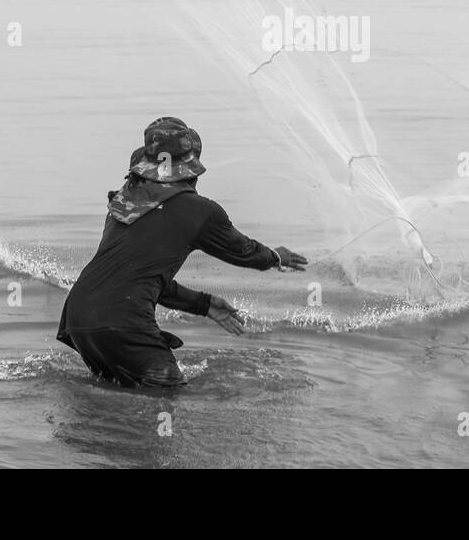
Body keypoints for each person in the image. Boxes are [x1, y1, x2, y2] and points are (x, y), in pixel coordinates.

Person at [56, 116, 308, 387]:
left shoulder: (125, 202)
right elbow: (243, 251)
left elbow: (141, 279)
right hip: (122, 320)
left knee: (112, 393)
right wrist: (275, 257)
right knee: (168, 394)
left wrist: (204, 304)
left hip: (79, 316)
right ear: (191, 169)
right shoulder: (198, 211)